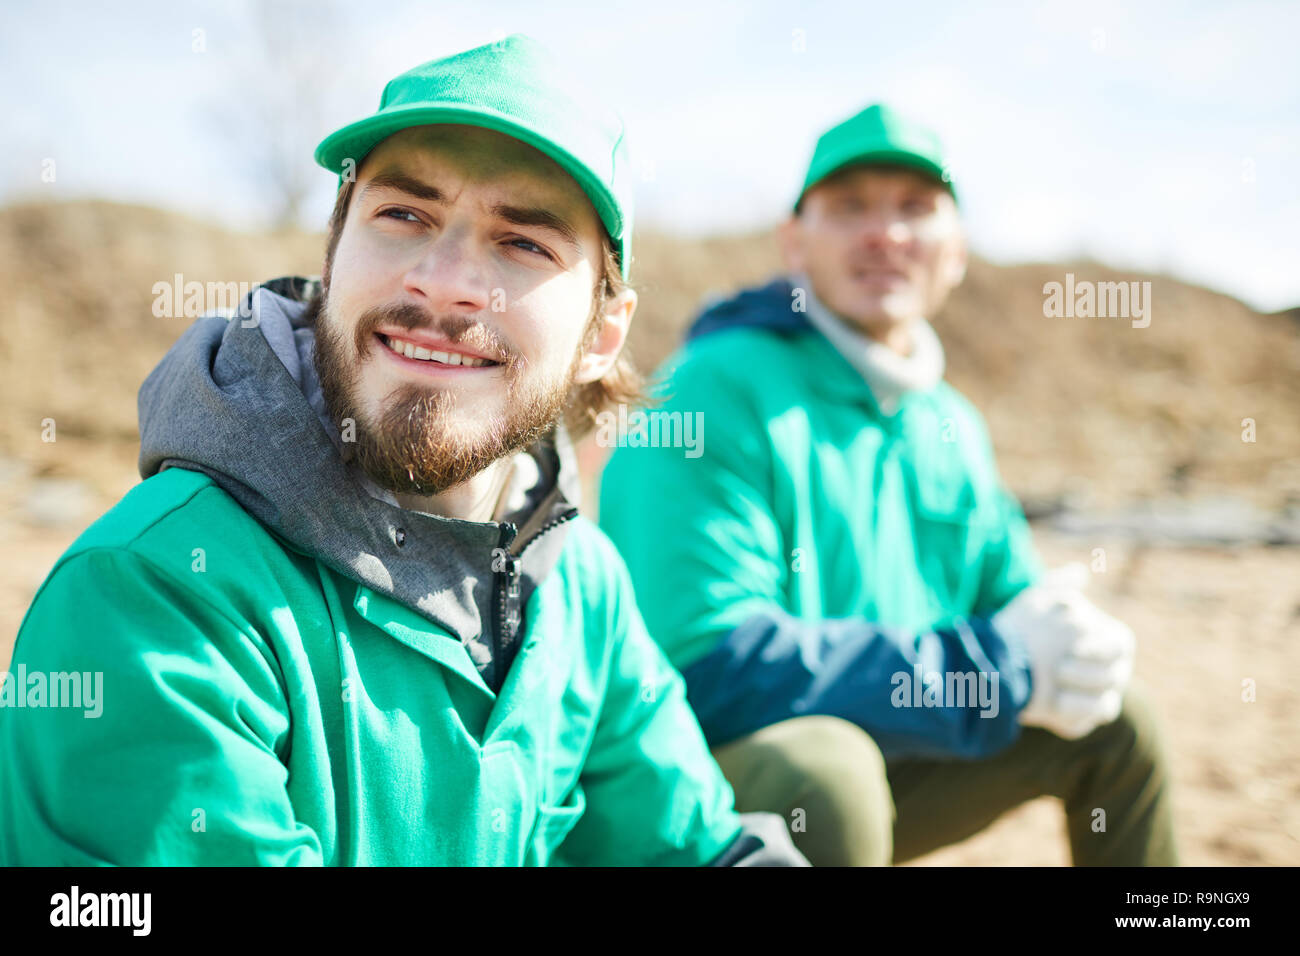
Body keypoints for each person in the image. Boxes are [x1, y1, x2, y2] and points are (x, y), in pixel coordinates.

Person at [0, 35, 807, 867]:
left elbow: (700, 847)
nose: (445, 278)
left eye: (523, 242)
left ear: (602, 336)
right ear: (333, 258)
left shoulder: (578, 585)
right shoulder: (159, 589)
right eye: (404, 216)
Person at [598, 103, 1179, 866]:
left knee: (1116, 720)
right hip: (707, 787)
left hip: (890, 764)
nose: (885, 233)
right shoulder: (712, 389)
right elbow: (710, 668)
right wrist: (992, 670)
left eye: (915, 208)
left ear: (958, 251)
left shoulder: (951, 422)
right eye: (849, 208)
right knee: (828, 770)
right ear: (793, 242)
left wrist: (1068, 639)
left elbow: (1009, 602)